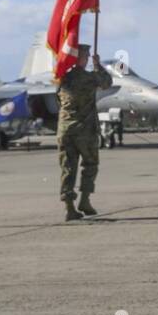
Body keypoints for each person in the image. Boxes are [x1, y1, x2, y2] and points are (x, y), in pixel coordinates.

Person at [57, 44, 112, 221]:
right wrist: (98, 66)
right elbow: (107, 83)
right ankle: (85, 201)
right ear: (81, 58)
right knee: (90, 165)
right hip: (85, 130)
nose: (88, 58)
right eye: (86, 56)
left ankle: (69, 207)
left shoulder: (61, 78)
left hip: (65, 130)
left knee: (67, 167)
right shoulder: (89, 78)